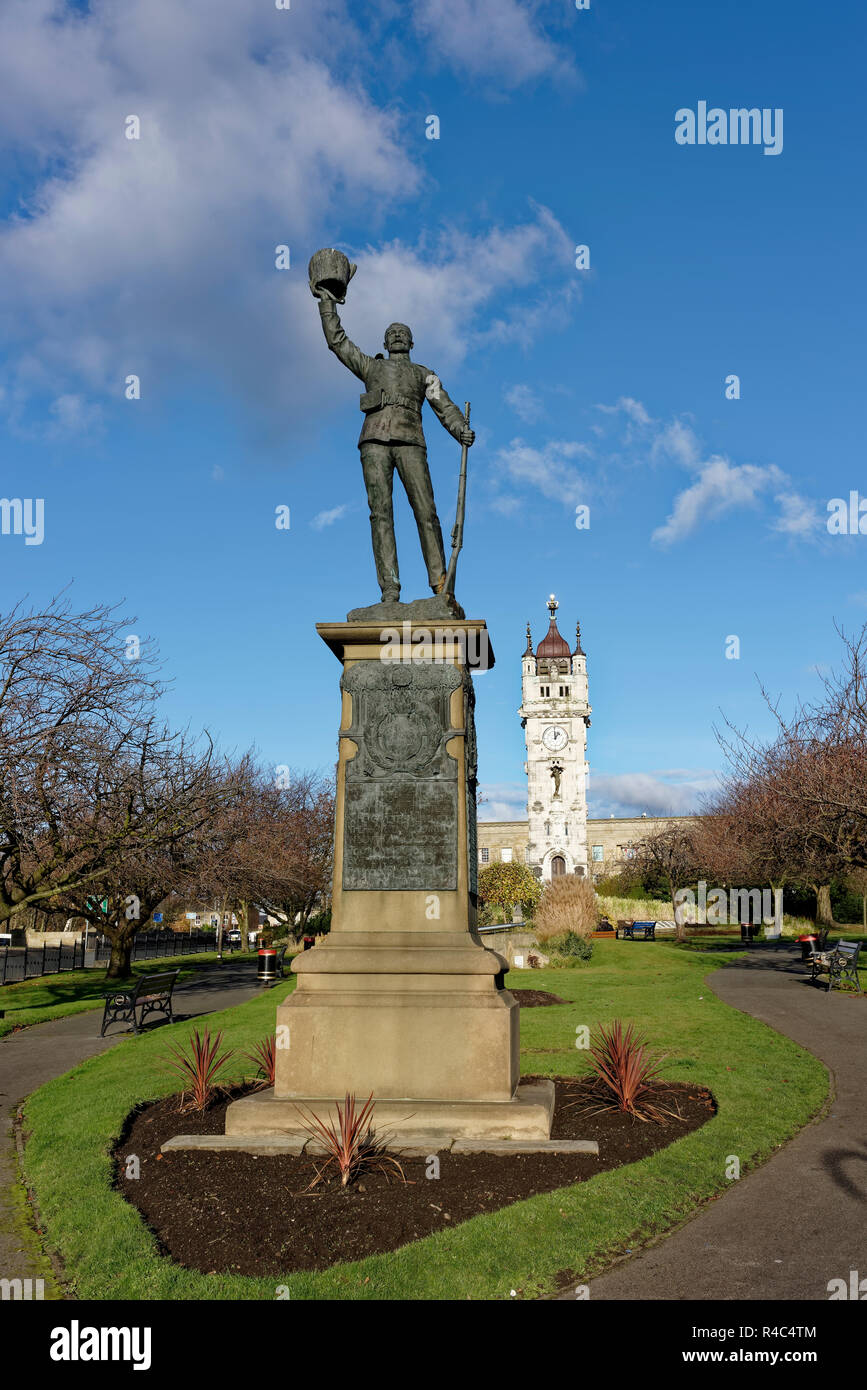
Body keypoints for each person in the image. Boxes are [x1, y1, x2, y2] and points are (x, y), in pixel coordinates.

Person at [313, 292, 474, 602]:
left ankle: (440, 582)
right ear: (385, 344)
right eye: (392, 333)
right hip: (373, 442)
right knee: (380, 514)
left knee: (427, 512)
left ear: (411, 344)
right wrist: (327, 304)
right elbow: (337, 341)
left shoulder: (424, 373)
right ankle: (390, 588)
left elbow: (445, 406)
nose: (398, 335)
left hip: (411, 442)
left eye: (403, 333)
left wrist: (460, 430)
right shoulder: (371, 367)